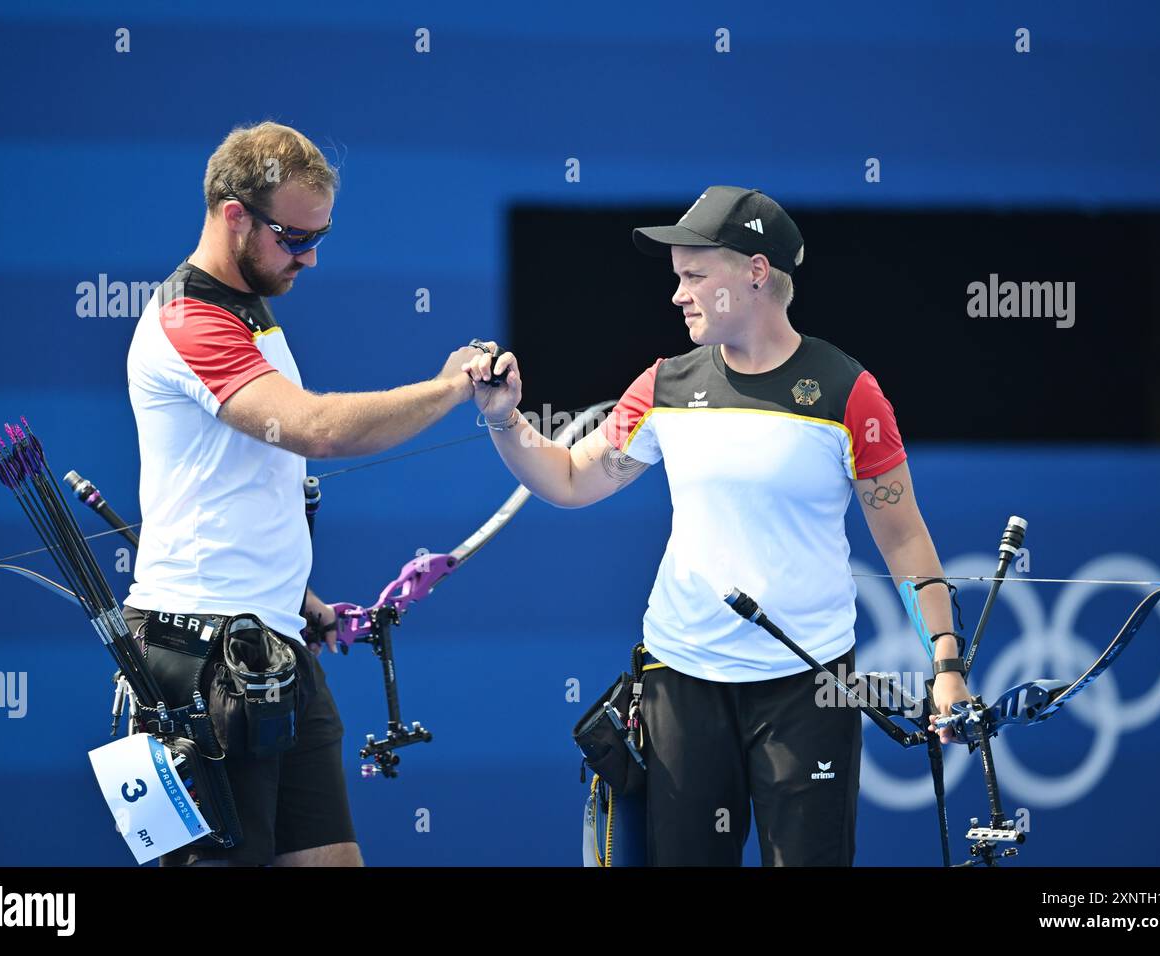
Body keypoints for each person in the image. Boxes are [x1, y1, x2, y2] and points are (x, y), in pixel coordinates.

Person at [464, 186, 974, 866]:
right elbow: (567, 478)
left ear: (756, 273)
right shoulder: (664, 384)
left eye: (695, 275)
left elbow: (904, 537)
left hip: (809, 684)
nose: (678, 294)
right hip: (680, 680)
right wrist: (505, 417)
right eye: (678, 278)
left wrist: (945, 661)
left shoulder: (848, 392)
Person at [121, 121, 490, 866]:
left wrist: (303, 598)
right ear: (234, 217)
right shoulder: (189, 323)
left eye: (320, 235)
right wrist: (451, 387)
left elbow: (240, 485)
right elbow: (316, 429)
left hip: (271, 640)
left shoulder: (250, 312)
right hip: (201, 664)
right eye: (293, 237)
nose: (311, 256)